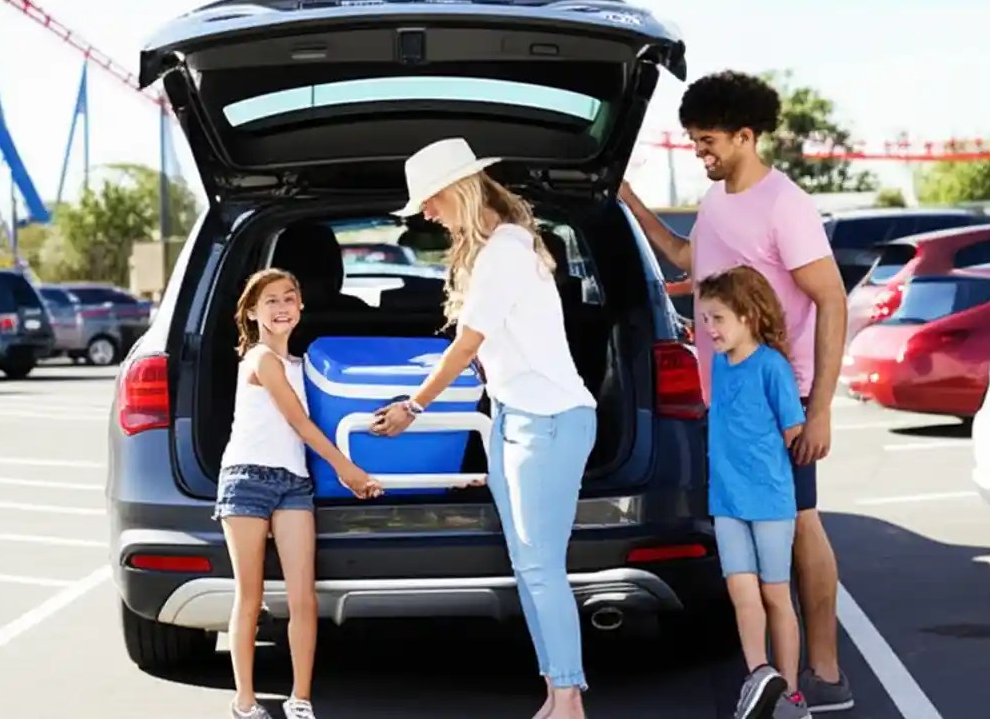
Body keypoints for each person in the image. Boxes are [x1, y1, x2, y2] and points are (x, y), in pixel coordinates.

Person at [618, 70, 854, 713]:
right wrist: (633, 203)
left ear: (746, 136)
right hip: (727, 399)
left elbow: (832, 301)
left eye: (708, 141)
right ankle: (779, 670)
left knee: (803, 525)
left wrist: (822, 407)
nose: (700, 152)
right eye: (695, 141)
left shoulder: (785, 204)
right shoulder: (718, 201)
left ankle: (825, 670)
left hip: (788, 394)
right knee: (772, 535)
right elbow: (688, 263)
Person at [371, 137, 598, 719]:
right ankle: (555, 693)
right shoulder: (504, 248)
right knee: (528, 567)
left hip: (546, 421)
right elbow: (489, 346)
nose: (426, 212)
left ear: (461, 191)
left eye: (430, 199)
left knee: (542, 567)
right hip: (514, 418)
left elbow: (466, 343)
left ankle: (568, 698)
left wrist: (412, 407)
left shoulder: (504, 250)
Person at [217, 268, 384, 719]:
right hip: (246, 479)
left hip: (293, 484)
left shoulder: (300, 364)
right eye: (270, 301)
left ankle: (301, 699)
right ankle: (245, 702)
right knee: (249, 597)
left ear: (301, 306)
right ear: (252, 312)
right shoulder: (261, 361)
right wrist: (347, 468)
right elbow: (299, 422)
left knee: (302, 596)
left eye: (289, 298)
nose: (281, 307)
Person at [698, 266, 811, 719]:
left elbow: (793, 430)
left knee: (776, 596)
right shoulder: (719, 366)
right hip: (726, 502)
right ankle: (760, 678)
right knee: (743, 594)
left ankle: (791, 695)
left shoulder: (771, 366)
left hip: (768, 502)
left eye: (718, 319)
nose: (709, 329)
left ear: (747, 315)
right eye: (705, 320)